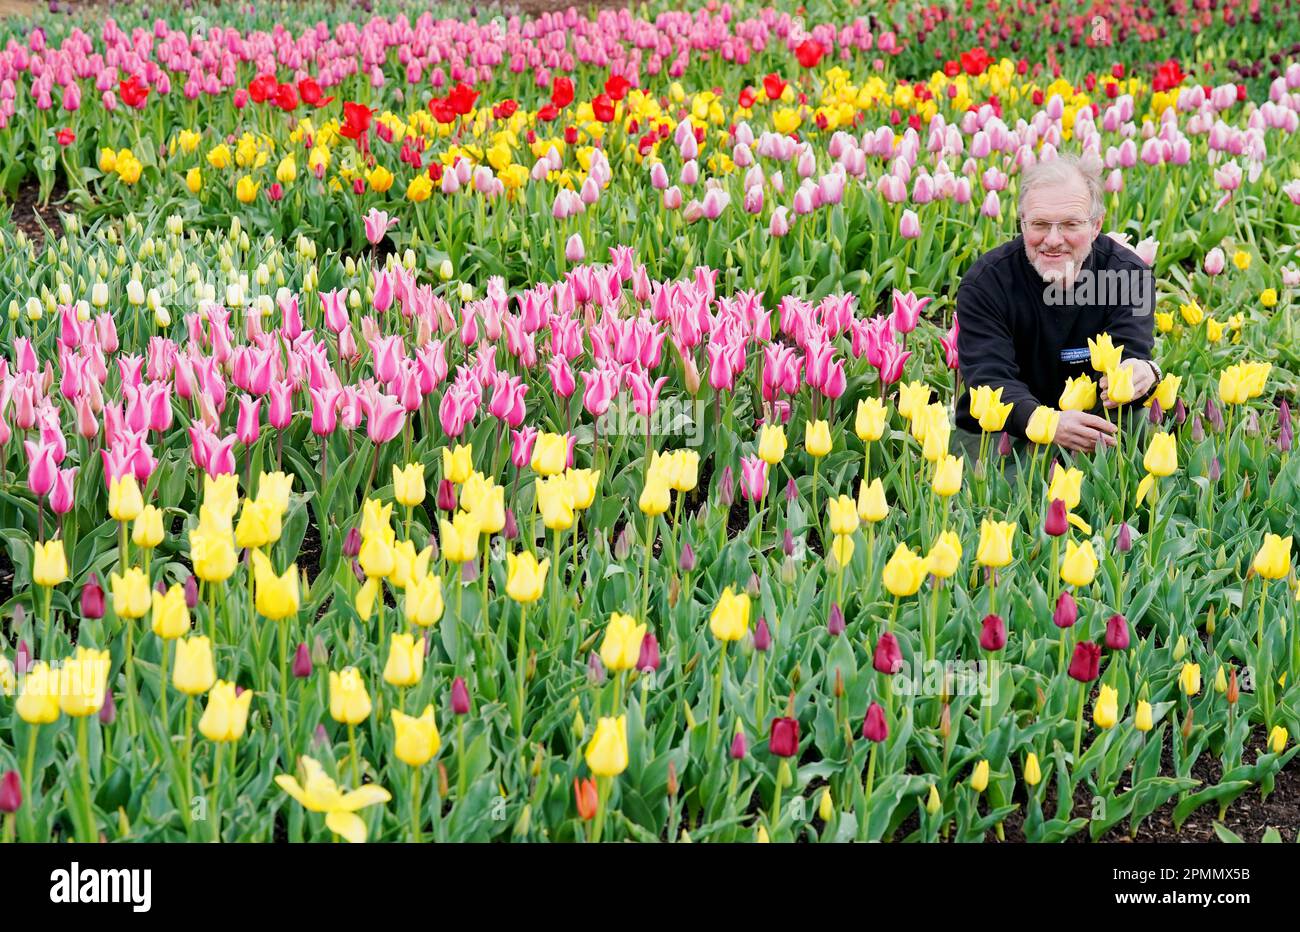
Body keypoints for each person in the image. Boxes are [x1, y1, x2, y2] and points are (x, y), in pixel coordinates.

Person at [953, 152, 1160, 468]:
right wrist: (1047, 424)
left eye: (1070, 224)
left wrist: (1144, 371)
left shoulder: (1128, 275)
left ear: (1095, 225)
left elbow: (1131, 351)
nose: (1052, 240)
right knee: (1002, 495)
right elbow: (989, 377)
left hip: (1095, 423)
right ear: (1022, 222)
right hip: (1007, 428)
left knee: (1139, 445)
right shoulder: (986, 284)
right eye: (1039, 224)